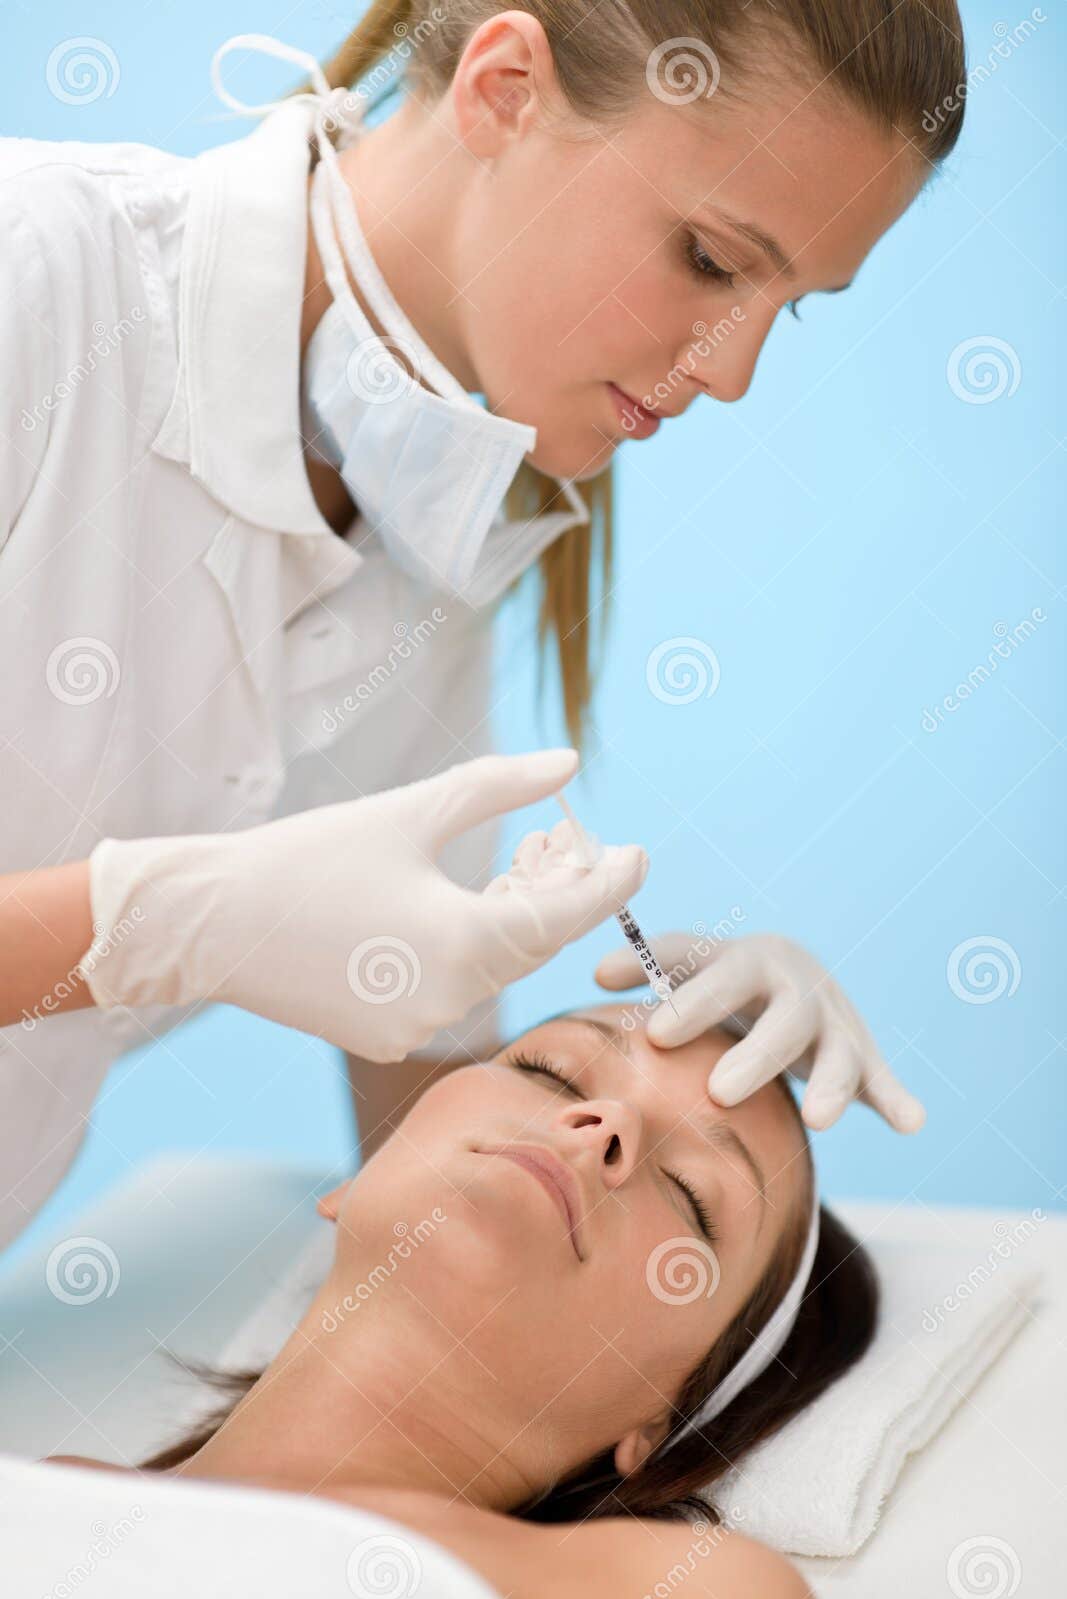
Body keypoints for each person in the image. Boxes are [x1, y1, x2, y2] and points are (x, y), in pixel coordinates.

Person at [1, 0, 959, 1241]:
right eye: (713, 263)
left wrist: (677, 1072)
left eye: (788, 307)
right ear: (504, 87)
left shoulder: (426, 514)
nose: (731, 375)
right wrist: (161, 924)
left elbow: (425, 1147)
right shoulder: (34, 282)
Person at [47, 1005, 878, 1599]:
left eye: (692, 1194)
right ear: (358, 1178)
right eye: (547, 1072)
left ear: (664, 1416)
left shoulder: (673, 1594)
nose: (605, 1119)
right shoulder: (42, 1500)